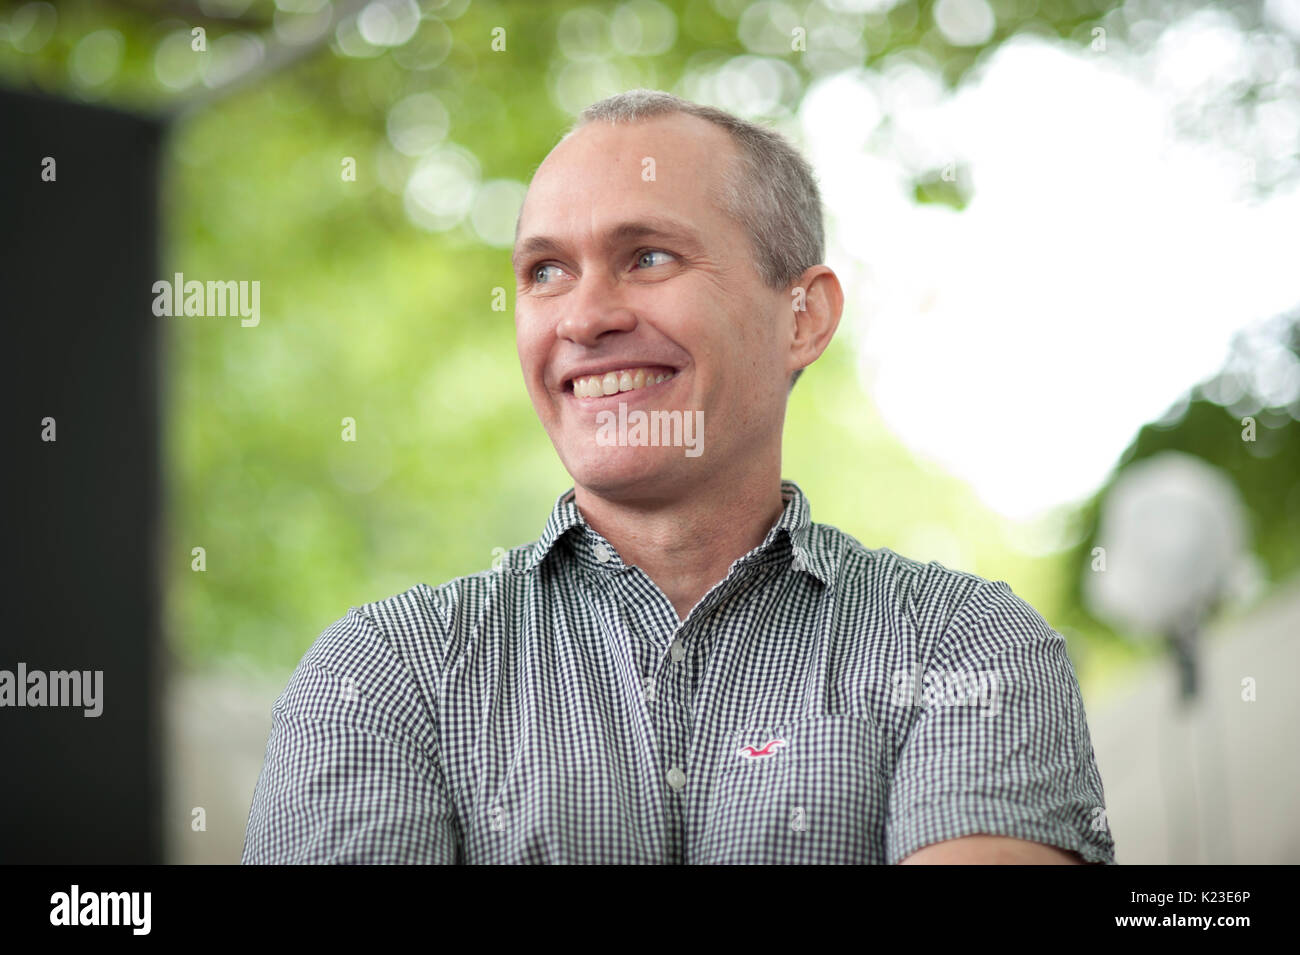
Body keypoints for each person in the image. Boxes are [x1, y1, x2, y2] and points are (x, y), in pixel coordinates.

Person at [242, 89, 1116, 865]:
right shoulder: (386, 673)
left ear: (803, 318)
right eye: (546, 271)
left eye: (648, 256)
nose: (585, 317)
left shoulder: (963, 649)